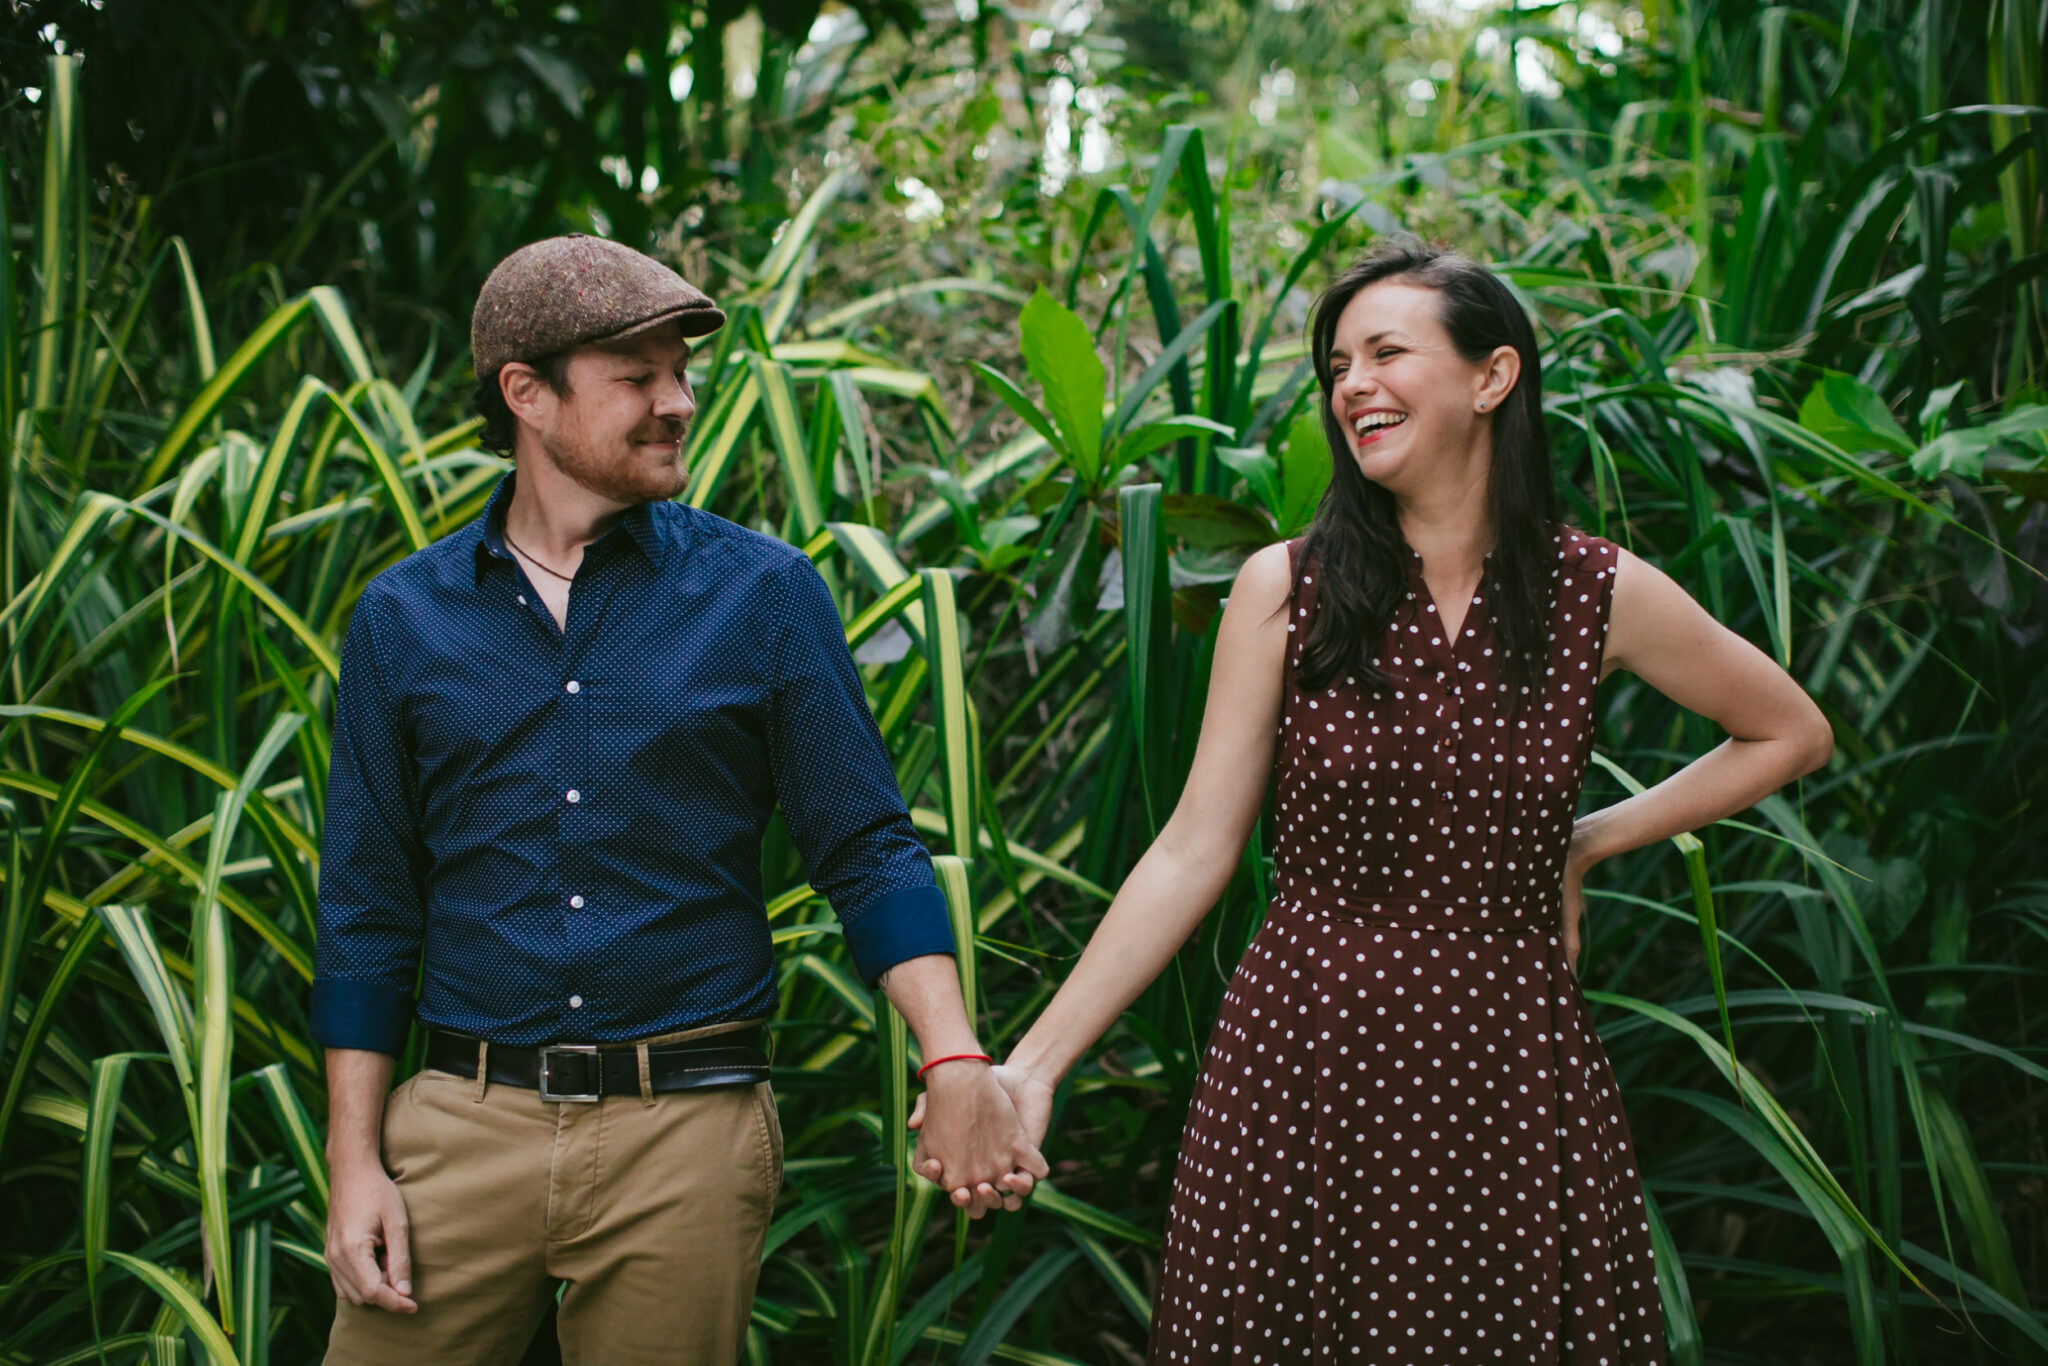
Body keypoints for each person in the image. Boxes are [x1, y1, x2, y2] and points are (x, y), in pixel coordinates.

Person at [919, 240, 1834, 1362]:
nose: (1350, 383)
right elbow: (1192, 846)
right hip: (1306, 1052)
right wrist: (1033, 1065)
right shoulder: (1283, 588)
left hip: (1506, 1064)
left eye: (1385, 352)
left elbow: (1787, 730)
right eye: (1335, 363)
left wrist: (1582, 843)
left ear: (1490, 377)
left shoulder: (1596, 589)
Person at [313, 234, 1044, 1366]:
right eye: (636, 375)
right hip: (459, 1127)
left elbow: (865, 845)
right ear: (526, 394)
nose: (677, 402)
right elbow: (365, 904)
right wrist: (354, 1164)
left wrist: (951, 1059)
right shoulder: (401, 621)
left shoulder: (761, 595)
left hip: (686, 1136)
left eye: (681, 373)